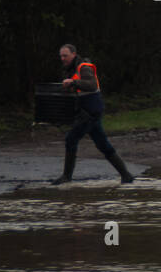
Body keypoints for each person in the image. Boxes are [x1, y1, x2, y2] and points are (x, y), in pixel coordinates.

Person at [50, 43, 135, 185]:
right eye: (61, 56)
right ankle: (126, 175)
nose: (62, 58)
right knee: (103, 145)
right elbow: (77, 89)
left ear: (73, 54)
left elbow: (92, 85)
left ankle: (66, 177)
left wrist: (73, 82)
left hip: (90, 113)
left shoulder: (84, 67)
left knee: (71, 139)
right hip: (90, 112)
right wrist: (68, 87)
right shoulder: (70, 69)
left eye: (65, 55)